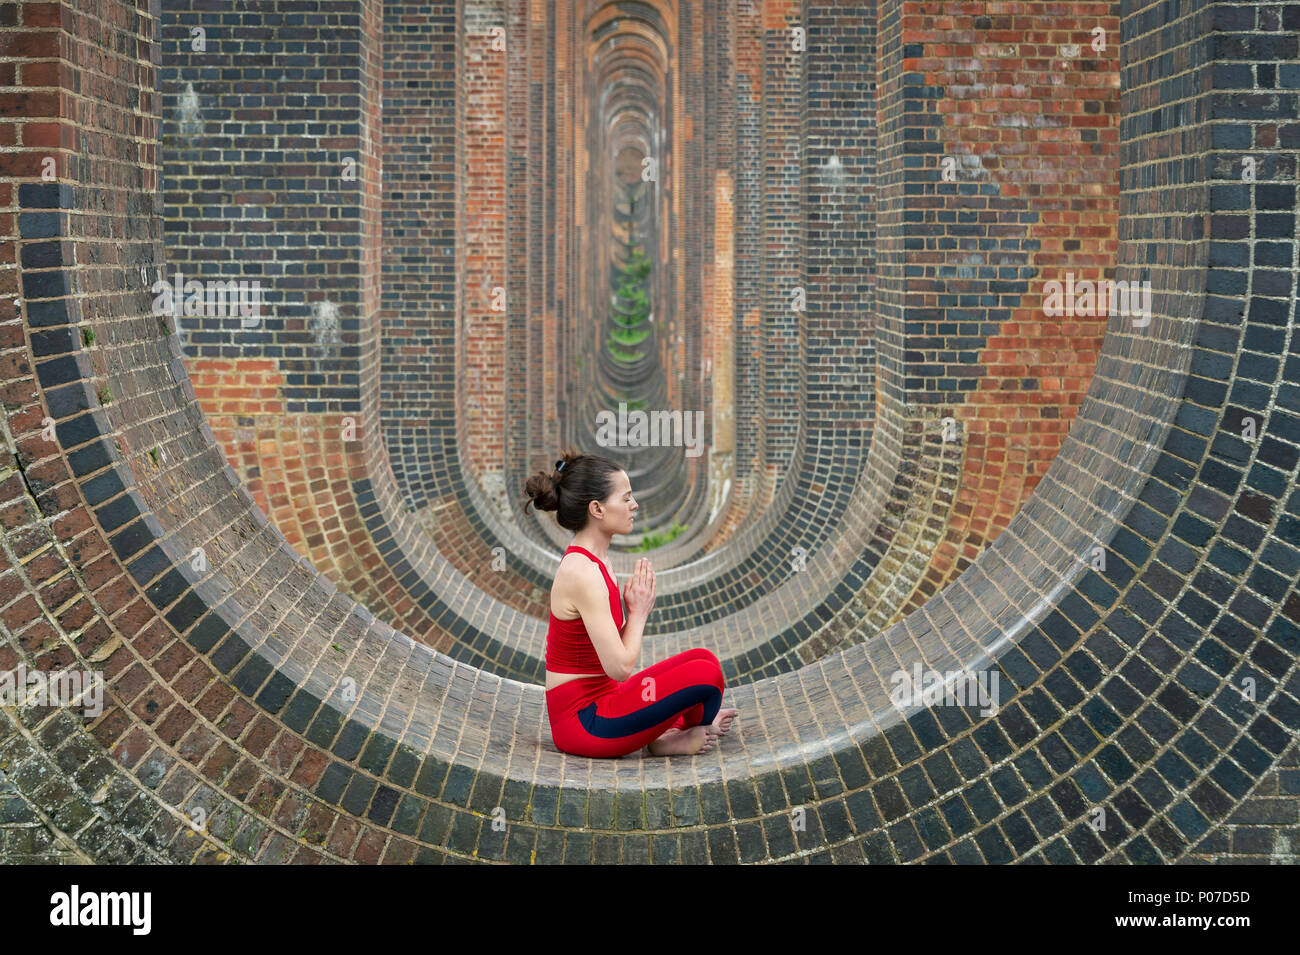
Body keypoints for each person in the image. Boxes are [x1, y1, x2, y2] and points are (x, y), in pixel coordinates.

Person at [522, 447, 739, 757]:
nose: (634, 505)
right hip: (586, 724)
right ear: (597, 509)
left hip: (609, 700)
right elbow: (621, 667)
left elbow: (611, 661)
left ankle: (672, 730)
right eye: (625, 499)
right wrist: (638, 612)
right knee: (706, 678)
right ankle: (674, 735)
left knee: (704, 660)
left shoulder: (597, 559)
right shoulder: (582, 573)